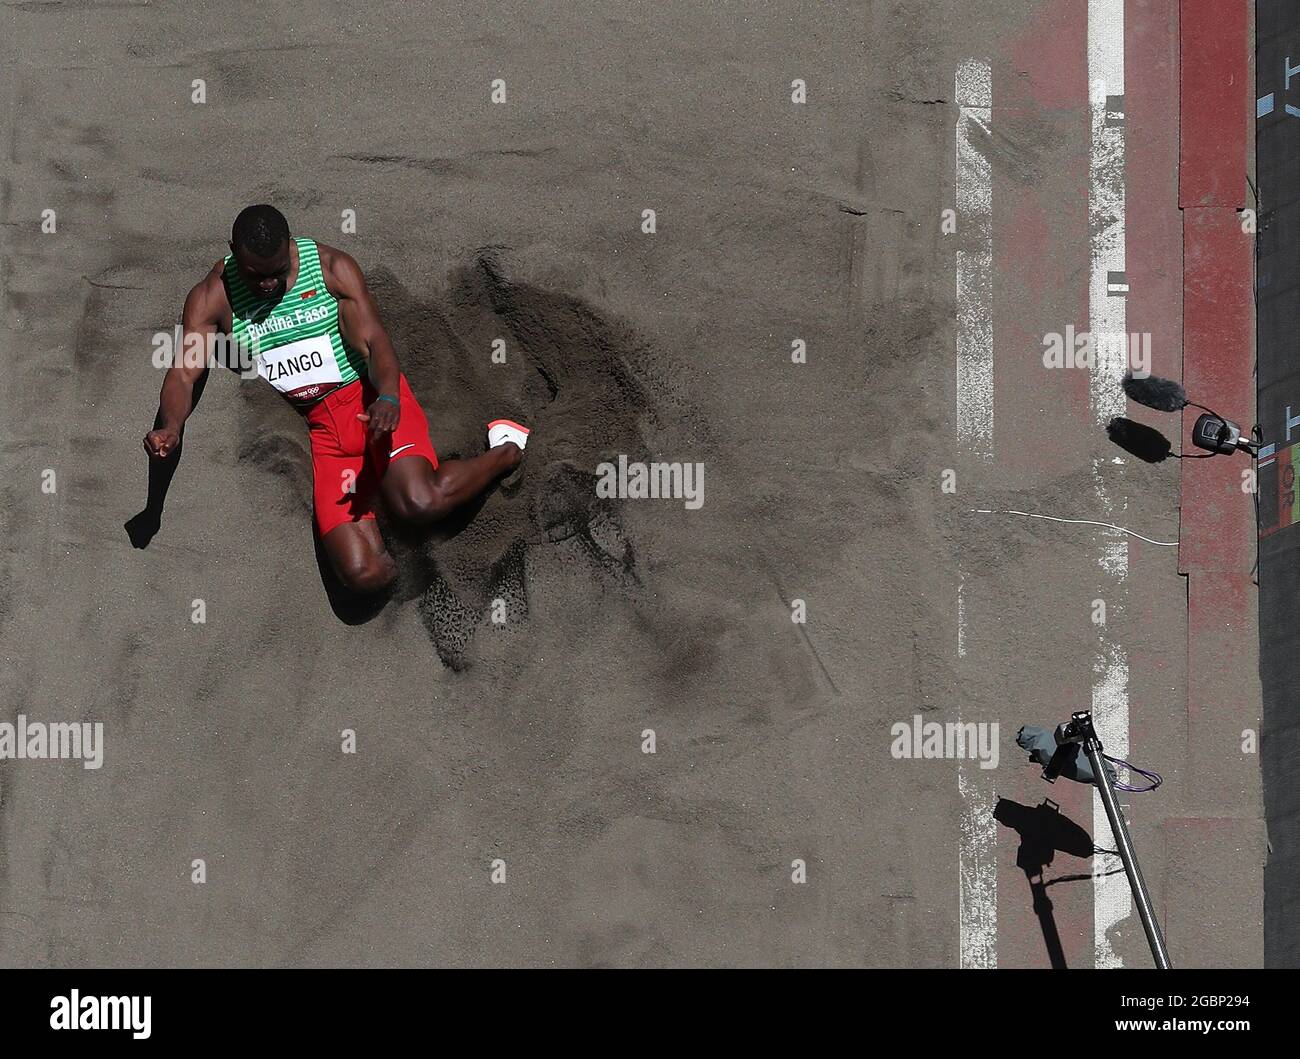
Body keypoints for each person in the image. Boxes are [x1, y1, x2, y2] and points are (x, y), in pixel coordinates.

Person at [144, 204, 530, 594]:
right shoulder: (212, 297)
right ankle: (391, 515)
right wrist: (171, 427)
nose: (267, 285)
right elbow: (183, 372)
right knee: (364, 575)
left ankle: (506, 450)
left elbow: (375, 343)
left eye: (277, 273)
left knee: (419, 502)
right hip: (325, 432)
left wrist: (390, 399)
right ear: (232, 251)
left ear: (289, 245)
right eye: (255, 276)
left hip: (371, 403)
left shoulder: (331, 269)